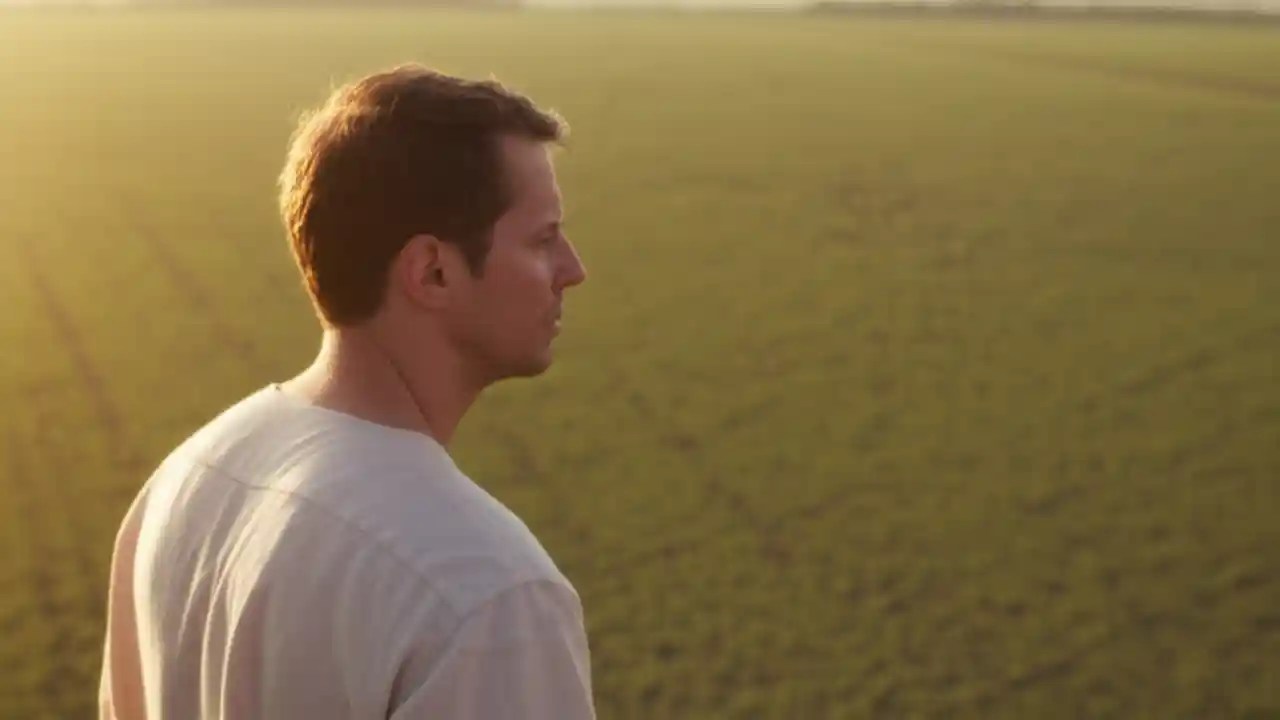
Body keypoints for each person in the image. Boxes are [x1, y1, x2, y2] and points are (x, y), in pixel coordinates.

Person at [98, 64, 593, 719]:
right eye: (543, 239)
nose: (573, 270)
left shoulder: (188, 475)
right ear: (434, 272)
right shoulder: (487, 593)